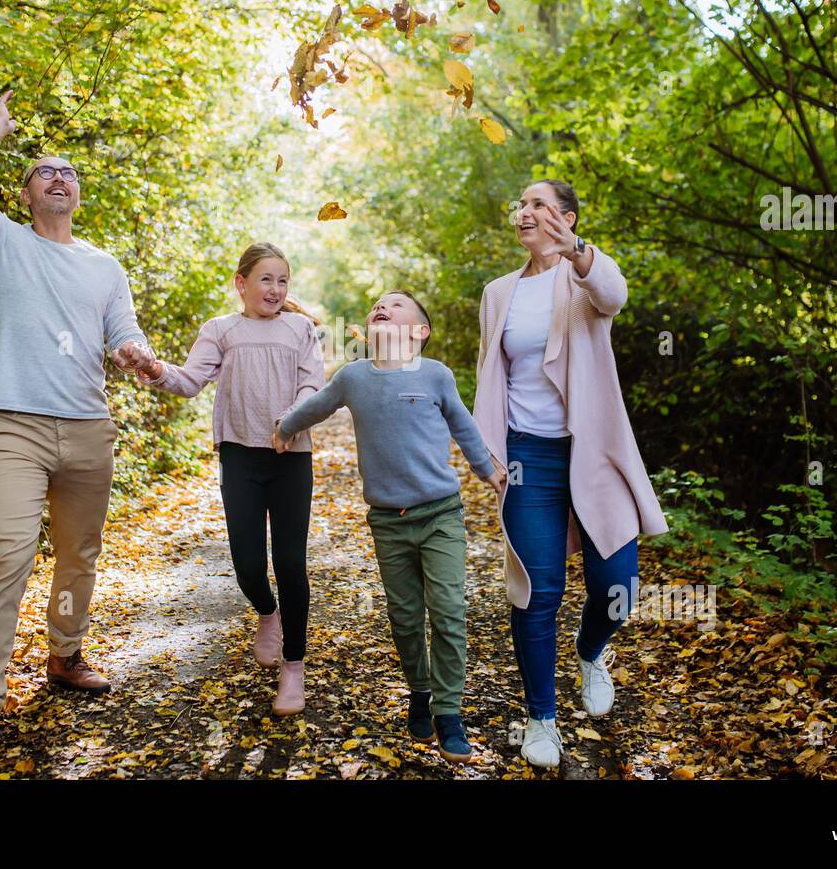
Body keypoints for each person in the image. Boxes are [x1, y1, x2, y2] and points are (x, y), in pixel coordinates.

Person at [0, 91, 157, 776]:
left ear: (78, 195)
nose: (59, 176)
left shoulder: (104, 265)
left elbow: (123, 331)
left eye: (69, 172)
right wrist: (0, 127)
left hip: (88, 426)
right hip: (12, 426)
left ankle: (64, 653)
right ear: (26, 193)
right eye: (44, 171)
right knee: (7, 551)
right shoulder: (1, 240)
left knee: (77, 556)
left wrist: (134, 353)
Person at [471, 178, 669, 769]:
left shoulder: (581, 279)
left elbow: (614, 295)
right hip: (529, 458)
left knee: (618, 587)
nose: (524, 211)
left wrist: (577, 250)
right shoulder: (498, 292)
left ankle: (590, 654)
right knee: (536, 592)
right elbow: (491, 375)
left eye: (538, 203)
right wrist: (491, 452)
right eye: (521, 202)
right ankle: (541, 718)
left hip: (593, 451)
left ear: (566, 217)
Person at [273, 291, 504, 763]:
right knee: (404, 617)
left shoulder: (436, 374)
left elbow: (463, 426)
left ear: (420, 332)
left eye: (397, 305)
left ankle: (449, 711)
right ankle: (419, 691)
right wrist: (285, 426)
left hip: (440, 514)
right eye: (377, 303)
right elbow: (316, 407)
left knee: (447, 611)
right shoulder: (354, 377)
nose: (382, 306)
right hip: (388, 523)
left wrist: (489, 471)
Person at [137, 243, 323, 716]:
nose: (276, 289)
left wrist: (290, 420)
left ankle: (294, 668)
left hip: (290, 456)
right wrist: (156, 370)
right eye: (266, 279)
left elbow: (311, 386)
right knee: (246, 564)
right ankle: (267, 612)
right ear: (241, 284)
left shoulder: (302, 329)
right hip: (240, 455)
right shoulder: (221, 330)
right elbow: (189, 380)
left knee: (290, 563)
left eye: (283, 280)